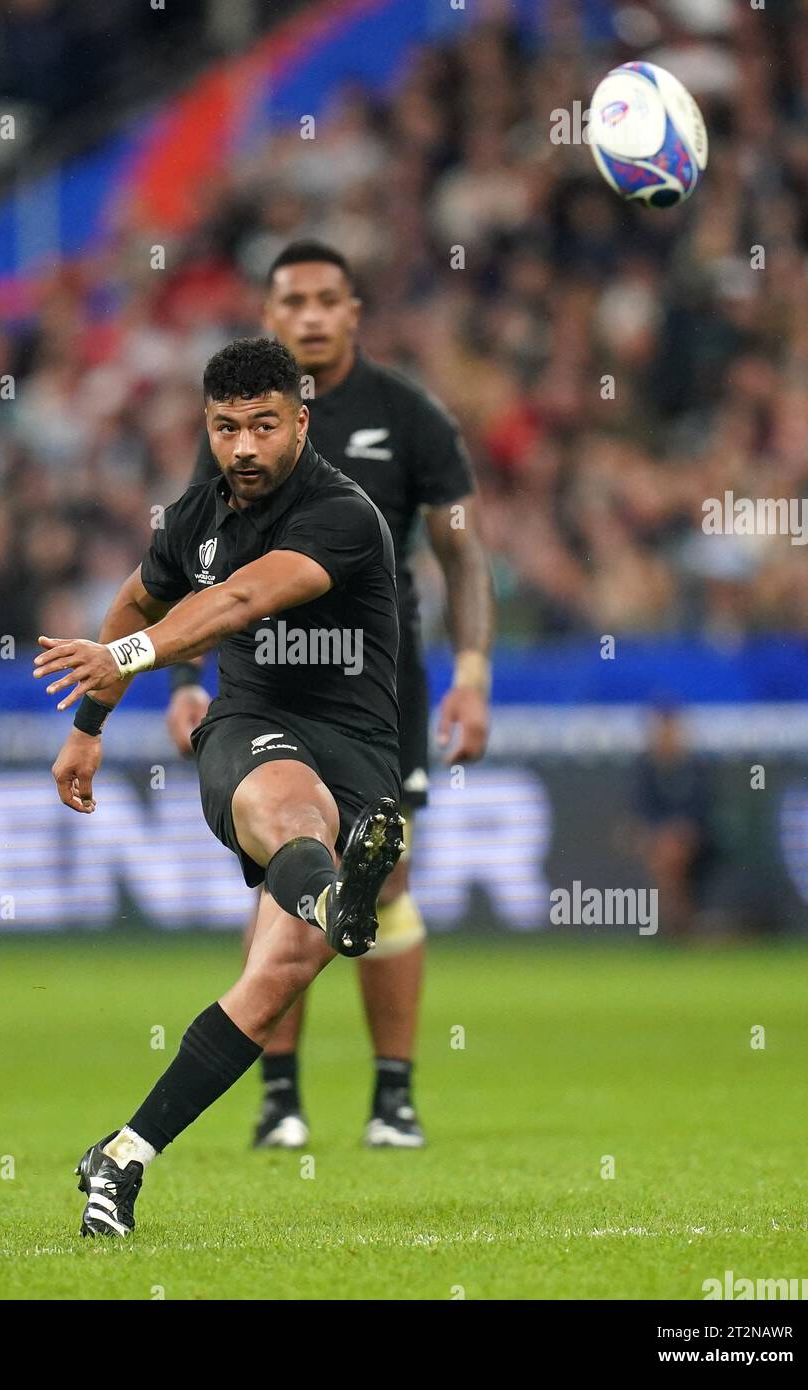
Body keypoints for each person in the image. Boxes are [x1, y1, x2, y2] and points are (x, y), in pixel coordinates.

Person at [35, 337, 406, 1236]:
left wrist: (120, 658)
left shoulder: (342, 514)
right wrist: (88, 729)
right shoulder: (192, 518)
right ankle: (333, 899)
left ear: (300, 423)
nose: (243, 447)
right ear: (207, 426)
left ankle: (121, 1158)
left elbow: (241, 601)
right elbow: (135, 603)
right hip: (252, 728)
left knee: (273, 974)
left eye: (263, 426)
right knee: (291, 809)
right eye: (226, 427)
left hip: (357, 744)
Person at [166, 241, 493, 1148]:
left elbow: (463, 551)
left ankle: (391, 1096)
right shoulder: (242, 426)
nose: (309, 315)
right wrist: (189, 679)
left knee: (385, 876)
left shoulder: (409, 416)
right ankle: (280, 1098)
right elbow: (200, 568)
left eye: (325, 300)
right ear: (270, 315)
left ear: (354, 312)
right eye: (291, 300)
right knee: (287, 868)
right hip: (264, 675)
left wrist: (471, 673)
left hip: (377, 686)